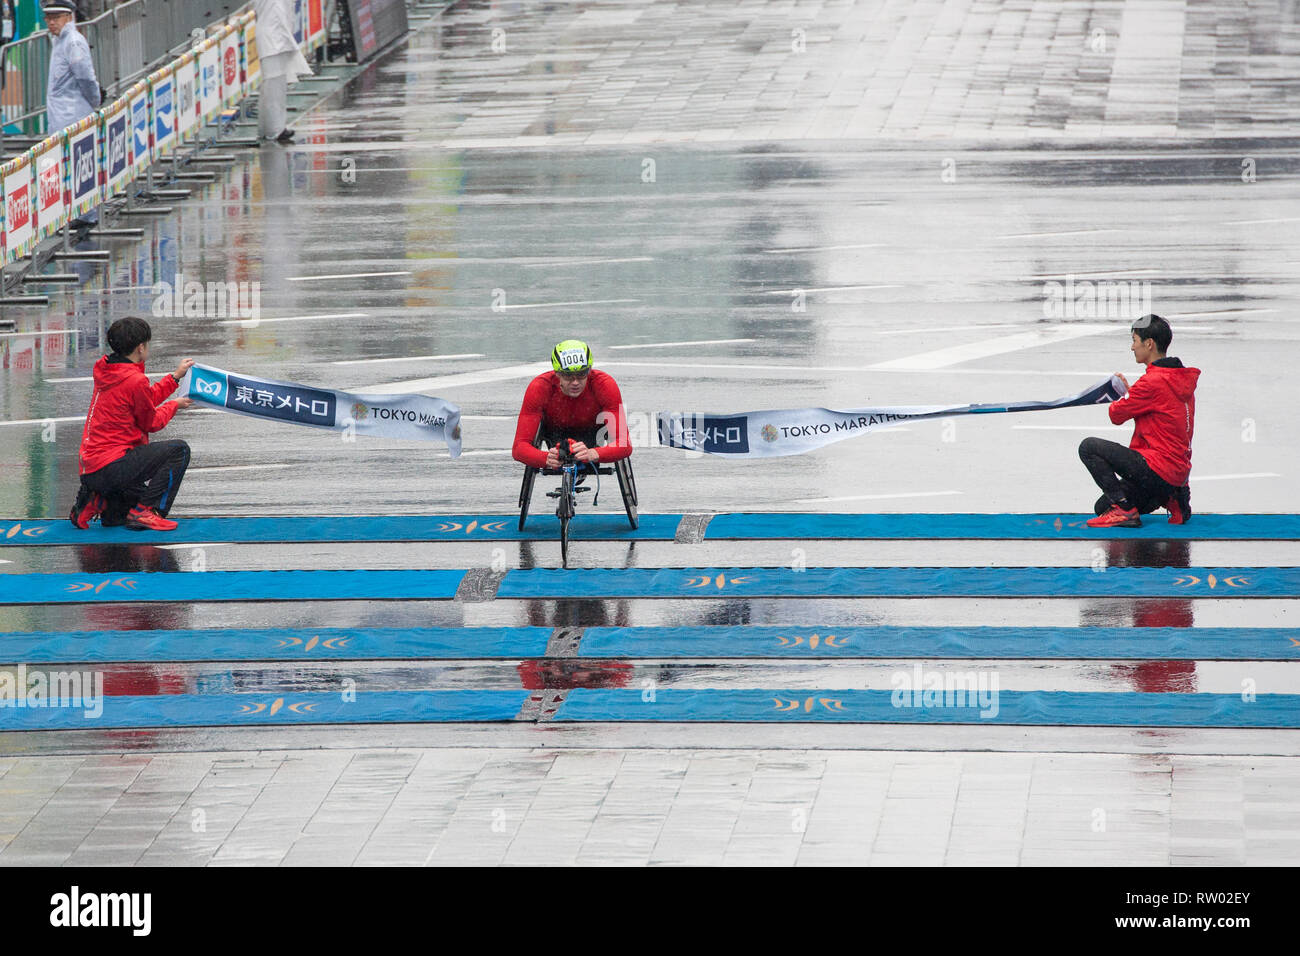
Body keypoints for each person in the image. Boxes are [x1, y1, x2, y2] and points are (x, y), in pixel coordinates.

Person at [70, 317, 195, 532]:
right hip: (112, 466)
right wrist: (173, 405)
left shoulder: (106, 368)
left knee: (116, 520)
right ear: (140, 347)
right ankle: (147, 511)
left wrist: (174, 378)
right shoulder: (133, 379)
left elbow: (143, 400)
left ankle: (95, 499)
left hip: (91, 468)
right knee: (179, 451)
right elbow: (152, 422)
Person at [1078, 314, 1199, 528]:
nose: (1132, 347)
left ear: (1149, 343)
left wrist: (1122, 394)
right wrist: (1132, 393)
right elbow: (1155, 405)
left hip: (1157, 468)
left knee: (1088, 447)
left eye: (1135, 340)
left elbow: (1116, 415)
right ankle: (1173, 496)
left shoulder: (1152, 382)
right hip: (1177, 473)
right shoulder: (1180, 378)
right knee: (1103, 506)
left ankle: (1125, 511)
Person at [512, 340, 631, 470]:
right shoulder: (539, 387)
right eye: (568, 376)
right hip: (555, 432)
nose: (575, 382)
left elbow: (624, 444)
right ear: (557, 373)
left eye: (581, 374)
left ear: (589, 371)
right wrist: (544, 458)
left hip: (593, 432)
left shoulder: (605, 385)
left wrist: (593, 453)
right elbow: (519, 447)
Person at [42, 0, 100, 230]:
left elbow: (85, 77)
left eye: (56, 18)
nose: (51, 23)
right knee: (68, 163)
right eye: (48, 18)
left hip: (73, 113)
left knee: (79, 163)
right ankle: (74, 212)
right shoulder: (60, 41)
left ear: (69, 17)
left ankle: (86, 215)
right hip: (61, 114)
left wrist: (95, 100)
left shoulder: (73, 41)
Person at [252, 0, 312, 143]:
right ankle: (274, 130)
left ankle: (270, 128)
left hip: (276, 38)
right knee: (273, 87)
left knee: (274, 86)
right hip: (272, 39)